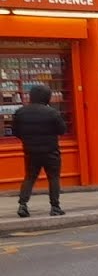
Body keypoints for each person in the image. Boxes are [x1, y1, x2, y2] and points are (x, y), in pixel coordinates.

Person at [12, 84, 67, 218]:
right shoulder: (52, 113)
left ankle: (22, 204)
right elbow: (62, 130)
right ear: (47, 97)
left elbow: (15, 131)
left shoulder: (20, 112)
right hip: (51, 150)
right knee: (53, 178)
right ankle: (55, 207)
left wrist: (27, 139)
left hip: (30, 150)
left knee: (30, 177)